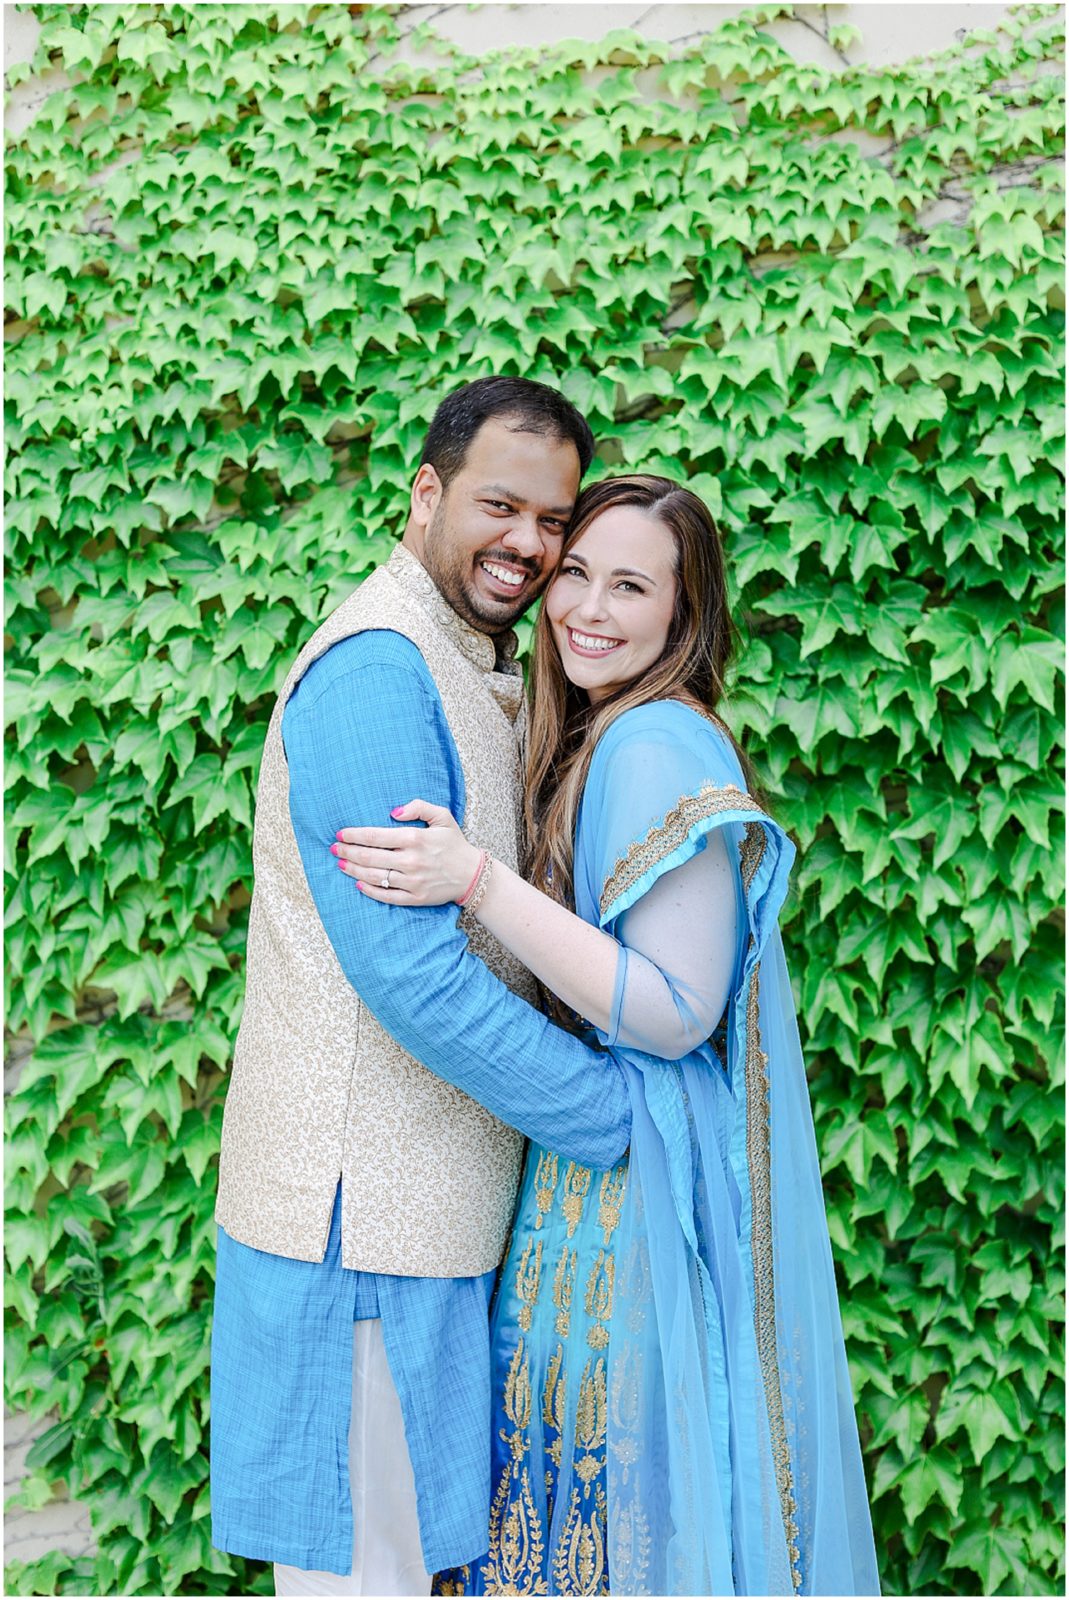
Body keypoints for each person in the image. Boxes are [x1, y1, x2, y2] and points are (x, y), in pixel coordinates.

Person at [333, 475, 881, 1596]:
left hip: (638, 1203)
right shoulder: (599, 736)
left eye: (630, 585)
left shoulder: (656, 745)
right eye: (574, 573)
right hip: (597, 1187)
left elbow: (677, 1010)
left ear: (685, 615)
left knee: (616, 1522)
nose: (586, 606)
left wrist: (474, 880)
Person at [209, 378, 635, 1597]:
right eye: (499, 504)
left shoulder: (468, 661)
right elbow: (413, 981)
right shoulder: (376, 676)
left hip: (425, 1228)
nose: (529, 544)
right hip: (359, 1235)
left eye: (553, 520)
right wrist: (615, 1116)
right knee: (368, 1582)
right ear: (427, 493)